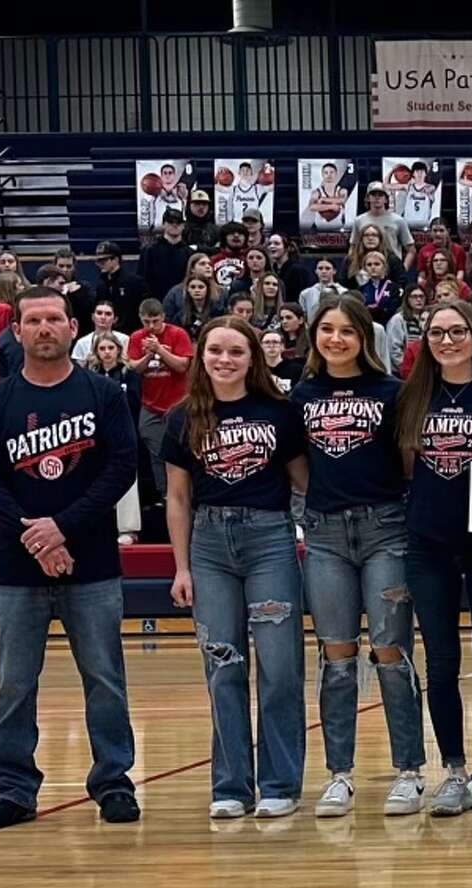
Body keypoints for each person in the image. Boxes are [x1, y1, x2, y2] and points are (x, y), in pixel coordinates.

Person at [0, 285, 140, 829]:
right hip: (18, 570)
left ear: (72, 327)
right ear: (16, 331)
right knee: (15, 682)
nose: (44, 328)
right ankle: (13, 788)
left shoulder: (103, 394)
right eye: (33, 320)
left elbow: (120, 470)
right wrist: (36, 537)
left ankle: (113, 781)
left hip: (91, 564)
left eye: (54, 319)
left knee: (105, 678)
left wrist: (60, 528)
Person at [163, 315, 310, 820]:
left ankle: (280, 782)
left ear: (254, 358)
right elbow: (178, 498)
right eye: (215, 350)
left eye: (236, 352)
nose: (225, 360)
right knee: (222, 665)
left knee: (278, 667)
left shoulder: (280, 413)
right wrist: (181, 568)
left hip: (268, 537)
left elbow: (302, 484)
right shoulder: (183, 416)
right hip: (208, 543)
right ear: (201, 356)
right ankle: (230, 785)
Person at [287, 294, 423, 817]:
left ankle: (408, 772)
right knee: (336, 655)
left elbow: (408, 462)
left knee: (390, 650)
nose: (336, 339)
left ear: (363, 337)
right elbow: (297, 463)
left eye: (347, 330)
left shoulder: (392, 391)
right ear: (315, 337)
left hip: (385, 527)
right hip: (324, 534)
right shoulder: (301, 395)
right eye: (327, 330)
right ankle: (338, 775)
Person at [394, 299, 472, 816]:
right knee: (441, 663)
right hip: (428, 545)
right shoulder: (412, 397)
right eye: (437, 333)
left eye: (457, 331)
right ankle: (453, 772)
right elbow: (408, 471)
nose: (447, 341)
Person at [127, 299, 193, 507]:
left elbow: (183, 365)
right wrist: (148, 355)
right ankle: (165, 495)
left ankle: (188, 494)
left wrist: (160, 350)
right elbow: (135, 367)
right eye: (147, 322)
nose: (151, 327)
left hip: (177, 404)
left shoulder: (177, 334)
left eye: (155, 321)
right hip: (150, 405)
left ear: (163, 317)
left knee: (182, 452)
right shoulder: (137, 337)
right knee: (157, 452)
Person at [83, 335, 144, 543]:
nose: (107, 352)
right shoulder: (88, 376)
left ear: (118, 350)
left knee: (127, 478)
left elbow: (136, 404)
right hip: (95, 436)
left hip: (124, 432)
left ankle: (128, 529)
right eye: (102, 348)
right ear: (96, 352)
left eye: (111, 347)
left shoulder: (130, 374)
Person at [350, 182, 416, 268]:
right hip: (366, 268)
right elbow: (353, 247)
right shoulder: (359, 221)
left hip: (392, 269)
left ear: (386, 199)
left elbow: (411, 250)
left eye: (380, 195)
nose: (377, 198)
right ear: (368, 198)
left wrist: (403, 269)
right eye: (373, 194)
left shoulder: (398, 220)